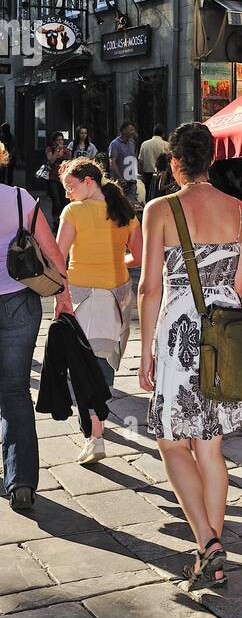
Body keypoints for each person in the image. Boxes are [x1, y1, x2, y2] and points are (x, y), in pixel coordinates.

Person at [138, 123, 242, 589]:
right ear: (213, 159)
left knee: (171, 442)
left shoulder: (160, 209)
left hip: (179, 333)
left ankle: (207, 543)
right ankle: (215, 549)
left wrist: (146, 349)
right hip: (223, 333)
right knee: (211, 447)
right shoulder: (238, 210)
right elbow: (239, 284)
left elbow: (150, 288)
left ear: (173, 162)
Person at [0, 136, 72, 512]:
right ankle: (22, 481)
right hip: (19, 302)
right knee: (14, 392)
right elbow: (53, 252)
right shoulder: (20, 199)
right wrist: (64, 295)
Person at [56, 159, 142, 464]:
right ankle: (97, 426)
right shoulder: (123, 209)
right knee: (103, 364)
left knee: (82, 367)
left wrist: (60, 298)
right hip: (117, 295)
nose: (67, 194)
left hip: (84, 297)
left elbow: (58, 258)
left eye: (70, 186)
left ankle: (95, 436)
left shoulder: (75, 211)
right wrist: (115, 262)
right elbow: (140, 255)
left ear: (89, 181)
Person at [44, 130, 71, 227]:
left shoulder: (66, 150)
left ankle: (62, 221)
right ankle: (55, 221)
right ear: (54, 141)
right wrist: (56, 151)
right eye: (58, 140)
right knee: (56, 201)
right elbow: (51, 161)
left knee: (64, 200)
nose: (60, 142)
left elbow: (70, 159)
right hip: (52, 178)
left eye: (61, 140)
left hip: (63, 178)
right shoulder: (50, 149)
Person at [108, 122, 138, 204]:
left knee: (132, 204)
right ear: (124, 130)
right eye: (131, 130)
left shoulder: (132, 143)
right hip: (120, 181)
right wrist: (120, 178)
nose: (133, 132)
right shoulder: (115, 144)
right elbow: (112, 162)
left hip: (132, 179)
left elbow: (133, 159)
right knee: (119, 204)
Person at [138, 124, 169, 201]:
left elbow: (140, 161)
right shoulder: (166, 144)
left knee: (149, 194)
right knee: (161, 196)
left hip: (148, 173)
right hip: (163, 173)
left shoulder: (145, 144)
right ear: (163, 134)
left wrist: (141, 174)